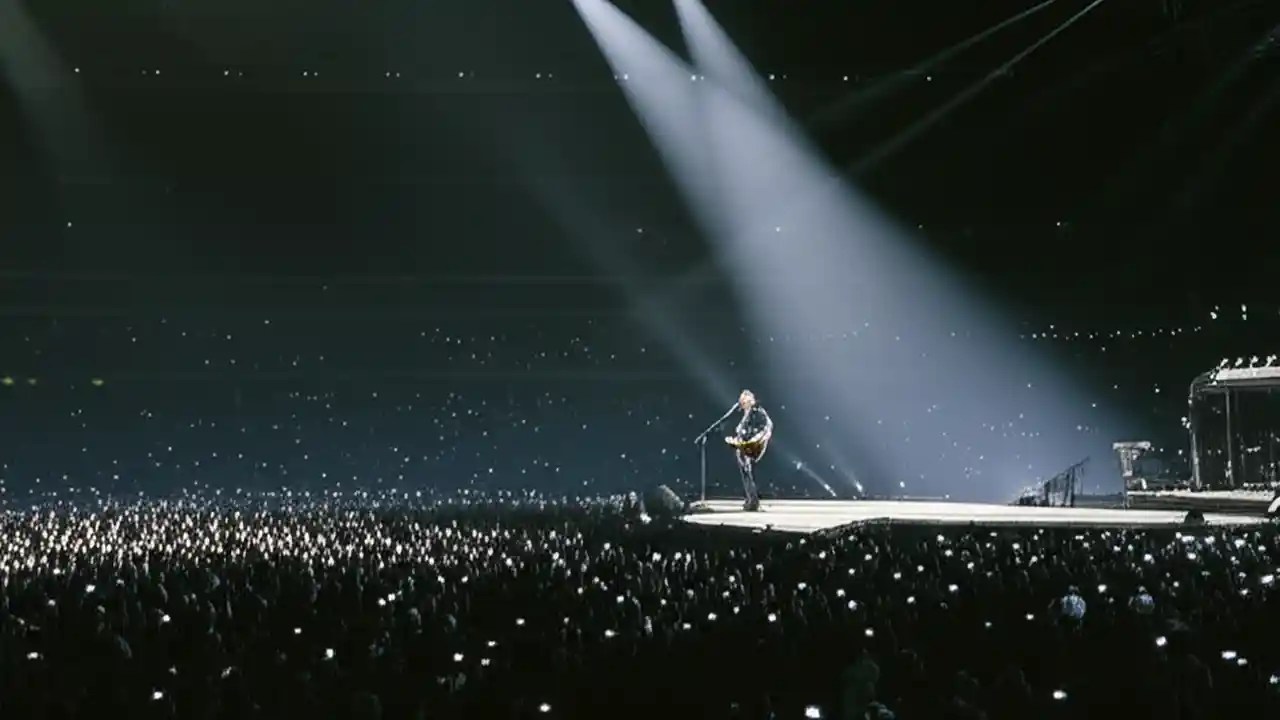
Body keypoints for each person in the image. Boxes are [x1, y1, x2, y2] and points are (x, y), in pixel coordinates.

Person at [725, 389, 773, 511]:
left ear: (751, 400)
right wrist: (736, 440)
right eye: (741, 400)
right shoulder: (746, 415)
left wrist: (753, 441)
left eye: (745, 399)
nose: (742, 402)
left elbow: (766, 426)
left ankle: (753, 501)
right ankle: (751, 499)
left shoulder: (757, 412)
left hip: (751, 447)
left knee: (749, 474)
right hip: (743, 448)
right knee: (746, 474)